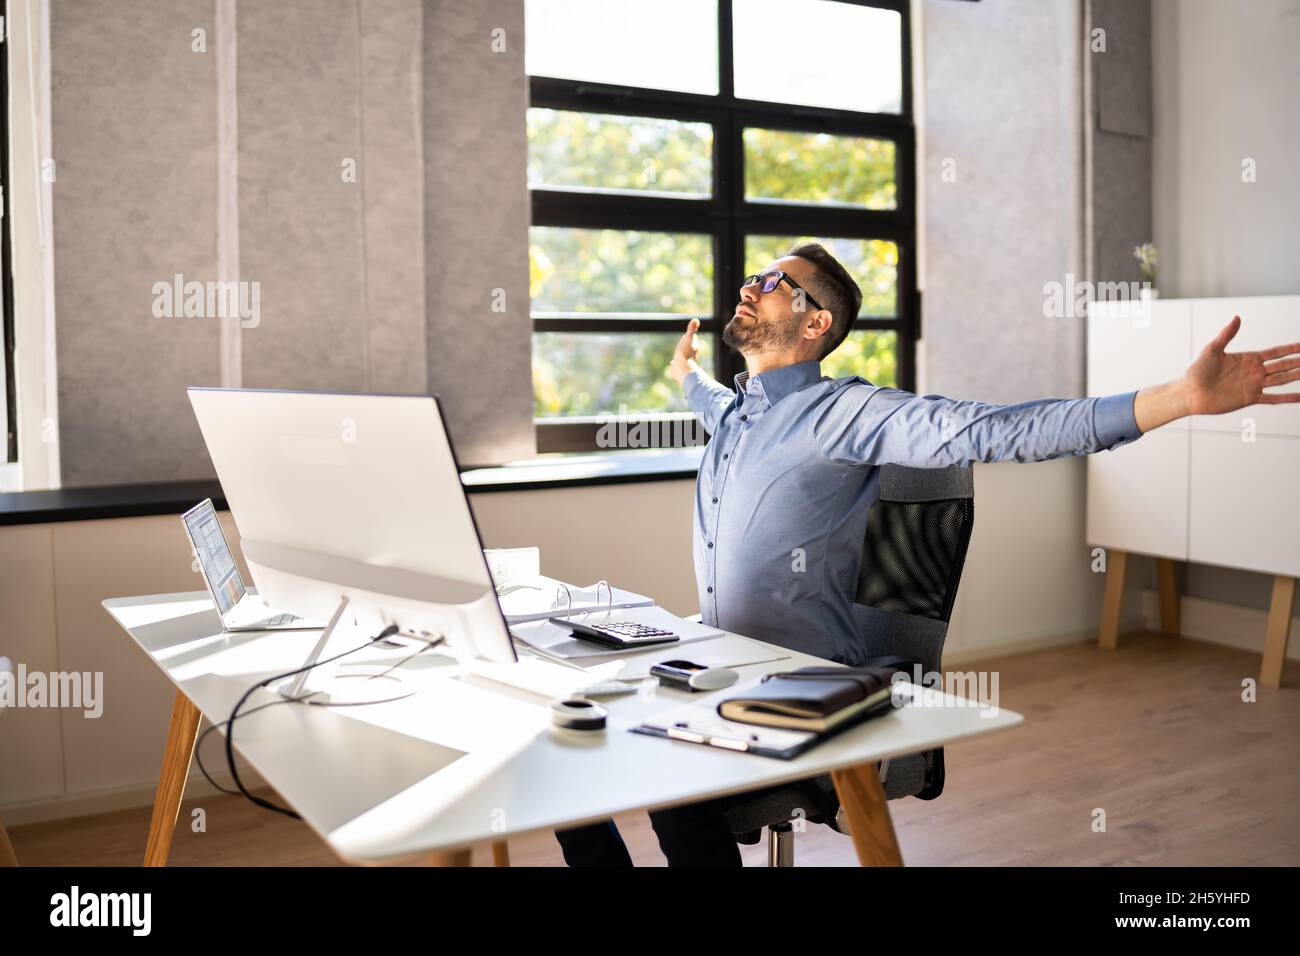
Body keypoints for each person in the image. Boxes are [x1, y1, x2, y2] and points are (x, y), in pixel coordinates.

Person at [555, 241, 1300, 866]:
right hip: (719, 663)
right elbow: (711, 401)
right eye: (754, 275)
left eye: (774, 282)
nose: (751, 286)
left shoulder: (848, 414)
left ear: (816, 323)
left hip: (802, 682)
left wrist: (1174, 399)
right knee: (569, 750)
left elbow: (998, 429)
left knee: (672, 787)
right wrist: (688, 376)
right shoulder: (740, 413)